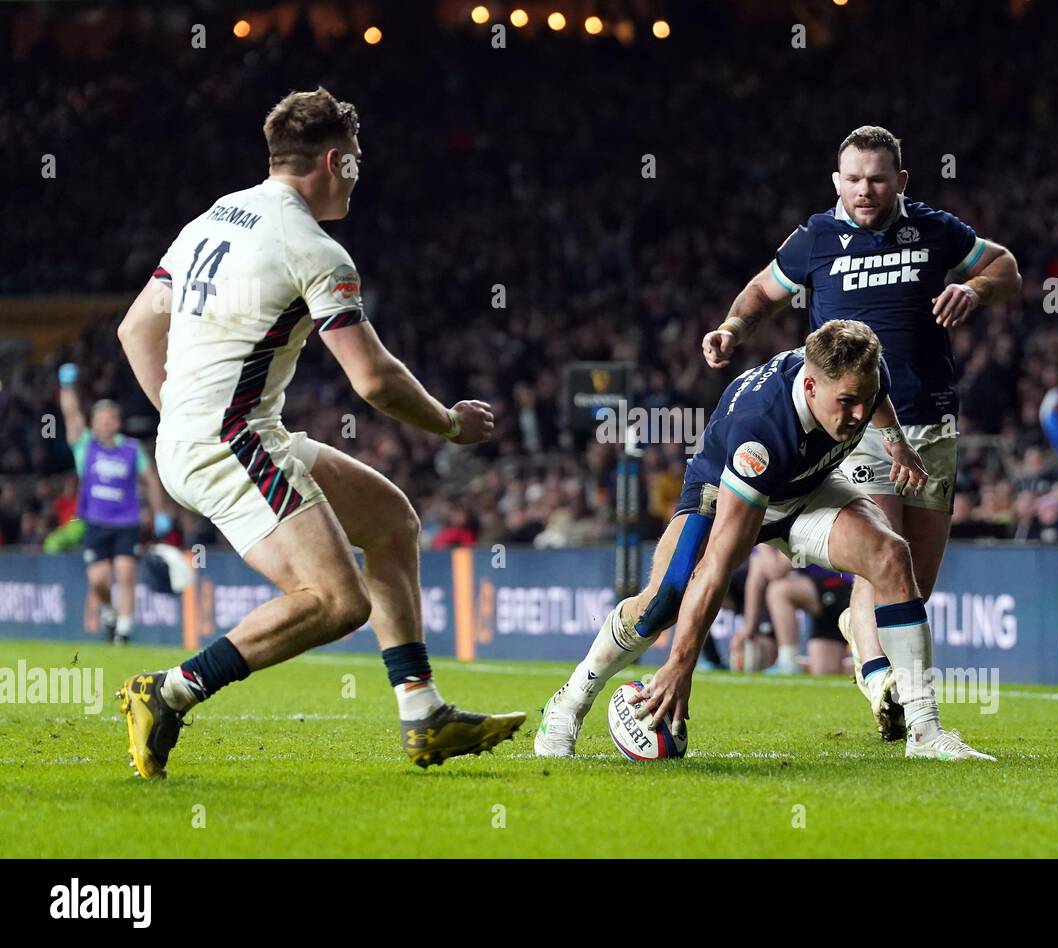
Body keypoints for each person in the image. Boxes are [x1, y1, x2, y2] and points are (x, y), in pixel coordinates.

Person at [115, 87, 524, 779]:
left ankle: (423, 714)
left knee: (392, 523)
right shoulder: (312, 248)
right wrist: (450, 423)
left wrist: (178, 414)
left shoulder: (210, 219)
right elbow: (374, 380)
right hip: (229, 442)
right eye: (357, 162)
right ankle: (170, 690)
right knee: (338, 603)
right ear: (335, 161)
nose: (358, 176)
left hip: (219, 434)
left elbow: (135, 328)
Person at [535, 320, 995, 761]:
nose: (858, 416)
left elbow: (876, 400)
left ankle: (924, 730)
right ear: (811, 388)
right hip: (724, 491)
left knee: (890, 553)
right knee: (664, 600)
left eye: (865, 400)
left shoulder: (866, 372)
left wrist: (895, 442)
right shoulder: (762, 429)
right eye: (848, 402)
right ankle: (571, 701)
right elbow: (716, 566)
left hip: (804, 487)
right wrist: (679, 666)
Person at [700, 125, 1021, 736]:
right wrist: (732, 330)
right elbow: (762, 293)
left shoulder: (933, 230)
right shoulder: (816, 237)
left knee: (914, 578)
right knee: (883, 548)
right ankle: (885, 684)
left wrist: (973, 289)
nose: (864, 191)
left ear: (900, 180)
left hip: (932, 420)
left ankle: (861, 635)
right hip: (855, 426)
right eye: (852, 180)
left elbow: (1006, 268)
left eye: (877, 179)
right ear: (836, 182)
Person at [57, 365, 170, 644]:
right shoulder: (84, 446)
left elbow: (151, 480)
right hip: (95, 522)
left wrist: (160, 513)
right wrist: (68, 388)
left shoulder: (132, 449)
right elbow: (71, 415)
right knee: (99, 580)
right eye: (101, 419)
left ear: (117, 422)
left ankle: (124, 630)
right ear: (94, 423)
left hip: (126, 521)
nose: (106, 423)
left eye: (110, 418)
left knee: (126, 572)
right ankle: (109, 609)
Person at [731, 545, 851, 675]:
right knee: (824, 670)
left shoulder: (798, 531)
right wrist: (748, 627)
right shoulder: (767, 545)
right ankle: (865, 667)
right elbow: (755, 580)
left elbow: (776, 570)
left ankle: (787, 661)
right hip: (821, 599)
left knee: (779, 591)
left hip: (839, 585)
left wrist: (762, 544)